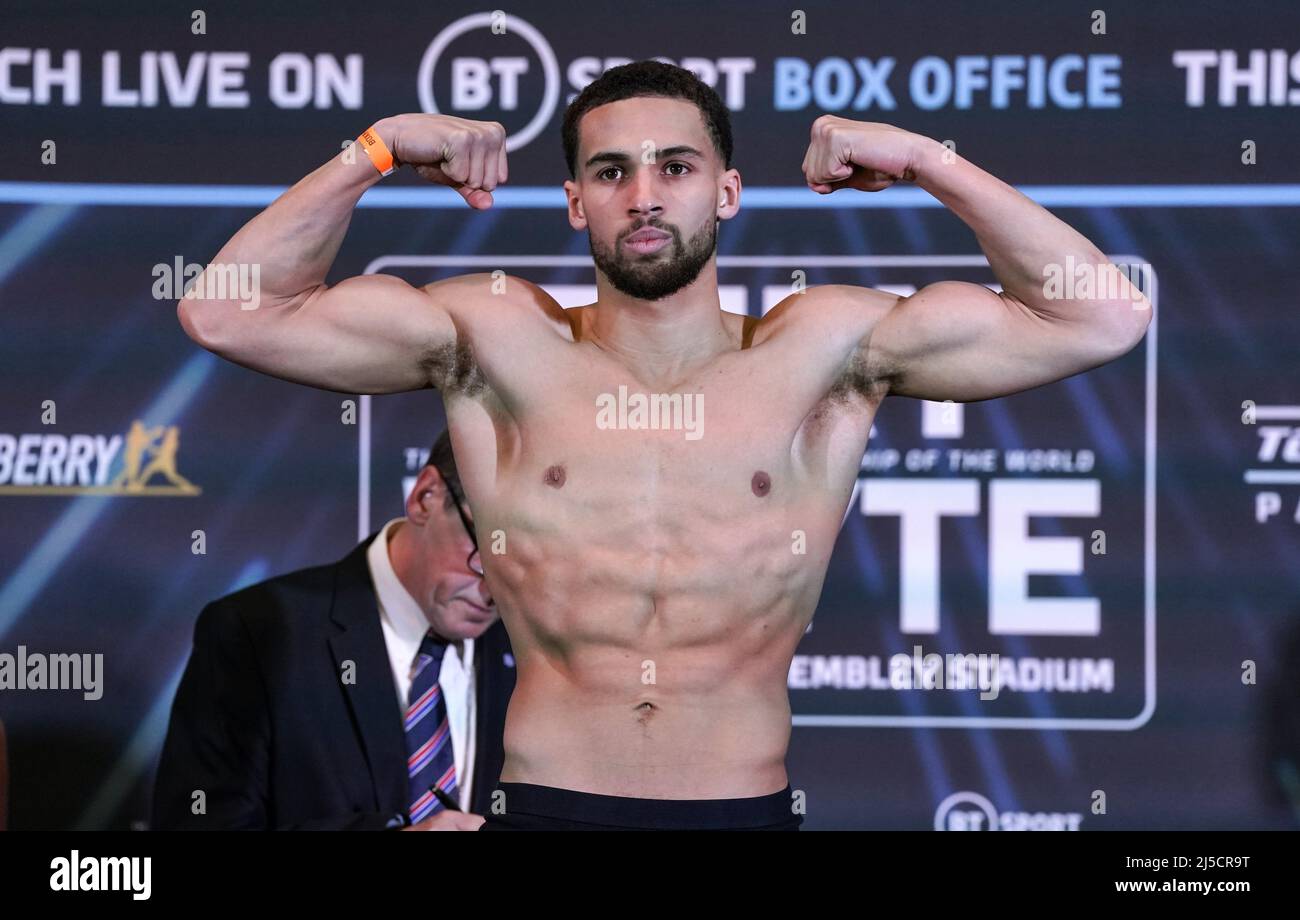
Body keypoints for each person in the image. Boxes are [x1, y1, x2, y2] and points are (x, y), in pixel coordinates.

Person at [176, 61, 1151, 830]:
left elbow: (1102, 317)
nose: (643, 195)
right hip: (549, 808)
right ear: (573, 202)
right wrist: (374, 152)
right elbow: (228, 314)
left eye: (674, 167)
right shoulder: (495, 340)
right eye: (611, 171)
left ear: (725, 191)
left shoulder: (824, 349)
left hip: (740, 810)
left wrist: (928, 161)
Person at [153, 432, 512, 830]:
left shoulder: (536, 658)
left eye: (525, 564)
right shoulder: (259, 633)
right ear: (425, 496)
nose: (495, 588)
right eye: (485, 551)